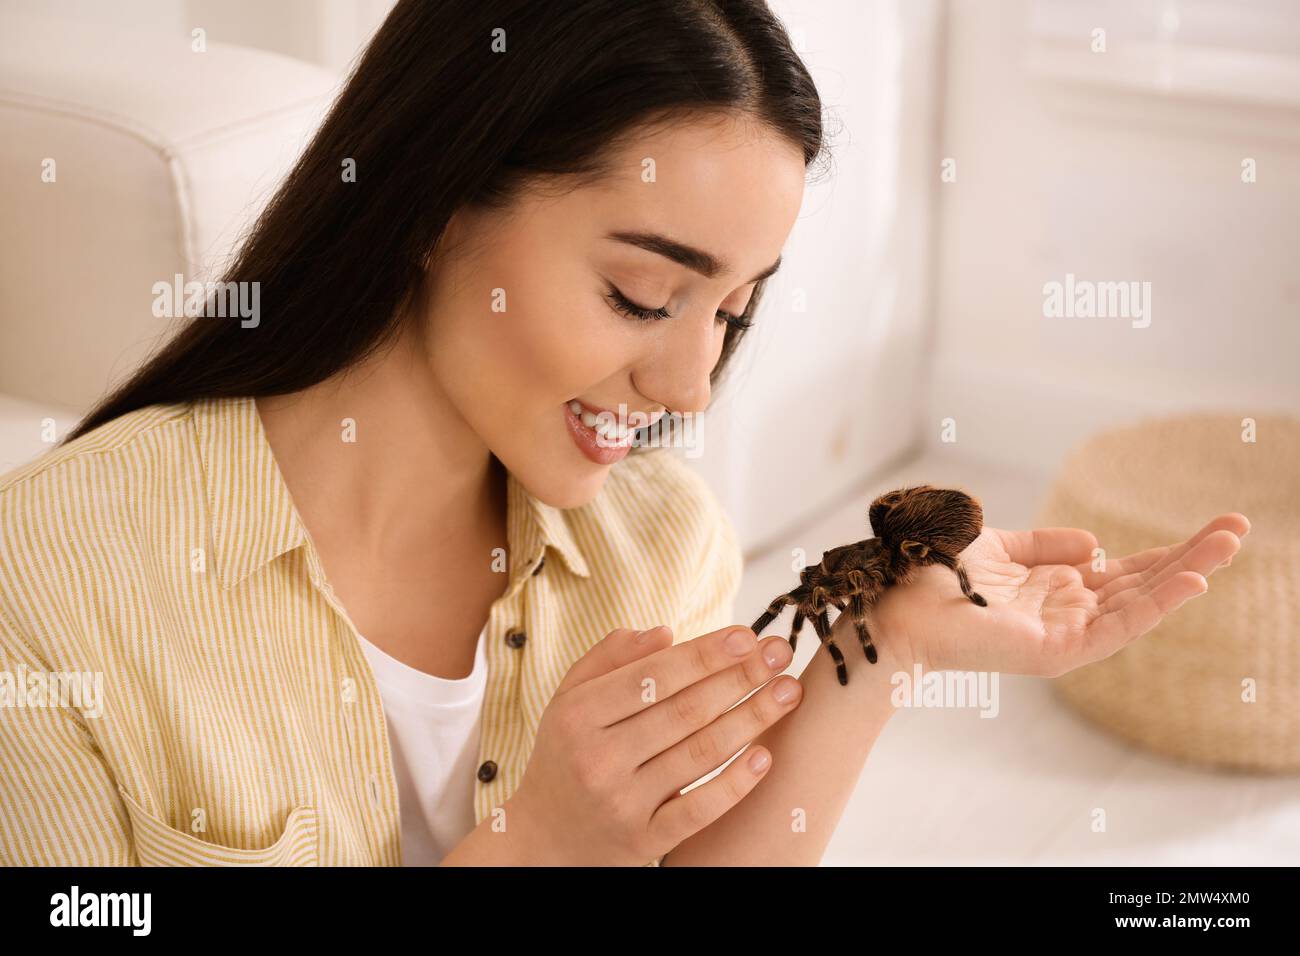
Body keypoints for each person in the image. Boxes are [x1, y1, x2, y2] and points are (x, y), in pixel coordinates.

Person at [0, 0, 1246, 867]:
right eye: (643, 297)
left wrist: (887, 640)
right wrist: (537, 846)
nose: (691, 383)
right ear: (434, 200)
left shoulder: (655, 543)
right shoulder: (56, 579)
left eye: (732, 312)